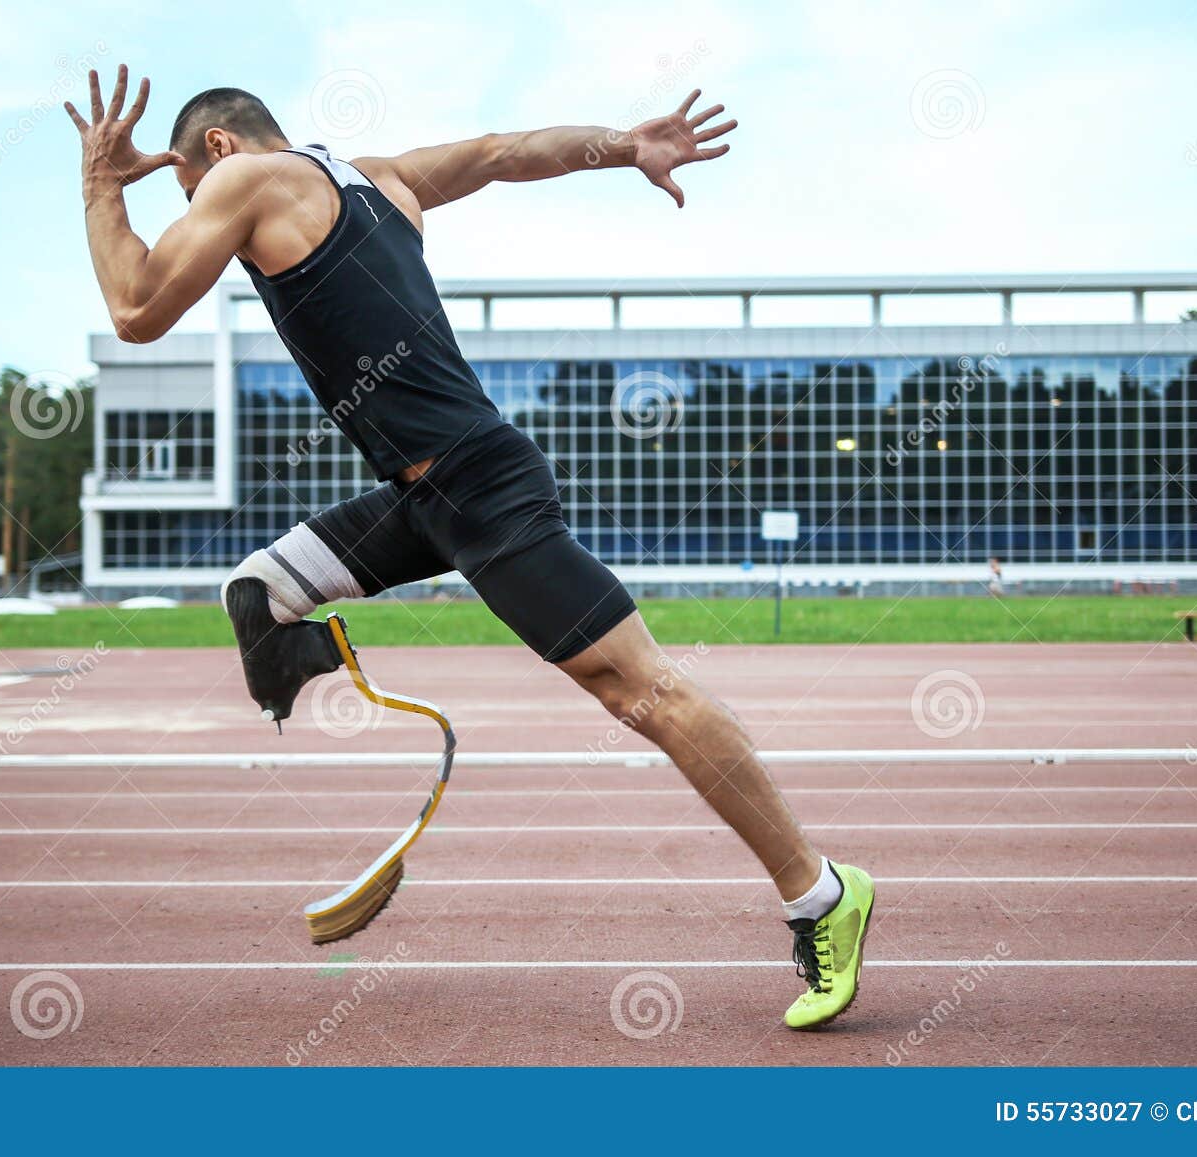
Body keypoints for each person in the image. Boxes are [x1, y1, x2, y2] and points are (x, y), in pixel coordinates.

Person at [65, 67, 874, 1028]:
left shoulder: (247, 179)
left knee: (642, 692)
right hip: (423, 499)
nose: (201, 224)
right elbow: (499, 153)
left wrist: (101, 188)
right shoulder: (378, 178)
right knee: (259, 592)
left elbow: (136, 309)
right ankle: (336, 666)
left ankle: (820, 891)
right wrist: (626, 145)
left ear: (219, 148)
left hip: (479, 488)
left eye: (191, 197)